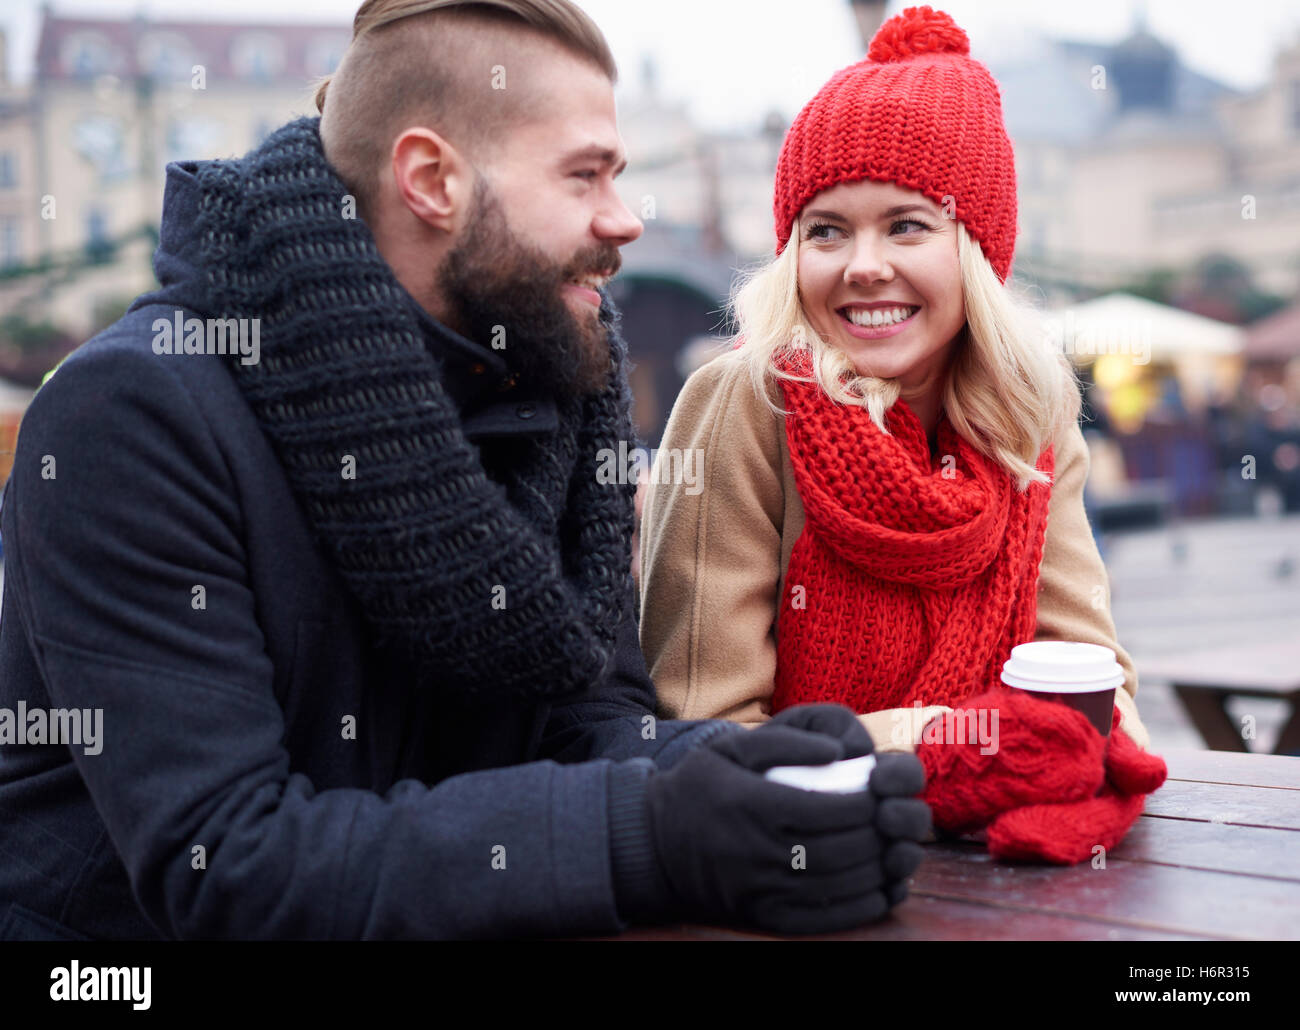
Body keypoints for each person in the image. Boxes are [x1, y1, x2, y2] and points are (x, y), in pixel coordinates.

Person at [0, 0, 930, 940]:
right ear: (432, 179)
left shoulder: (545, 382)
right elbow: (229, 865)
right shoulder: (130, 416)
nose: (625, 219)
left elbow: (582, 724)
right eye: (584, 176)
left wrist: (743, 772)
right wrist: (654, 835)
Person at [638, 6, 1166, 865]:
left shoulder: (1032, 420)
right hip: (798, 874)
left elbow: (1092, 680)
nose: (863, 264)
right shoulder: (743, 403)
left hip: (1001, 879)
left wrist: (1091, 737)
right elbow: (706, 735)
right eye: (827, 230)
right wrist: (959, 742)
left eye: (907, 224)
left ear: (975, 251)